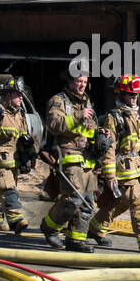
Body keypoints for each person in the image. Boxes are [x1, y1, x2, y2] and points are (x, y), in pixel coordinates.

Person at [87, 76, 140, 254]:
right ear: (121, 94)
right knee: (139, 202)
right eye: (130, 94)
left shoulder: (135, 114)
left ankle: (96, 227)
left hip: (137, 167)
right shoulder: (113, 118)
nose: (134, 97)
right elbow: (109, 149)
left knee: (120, 203)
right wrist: (110, 176)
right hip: (122, 170)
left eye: (136, 94)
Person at [42, 61, 99, 254]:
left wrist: (101, 134)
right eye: (78, 81)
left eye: (85, 81)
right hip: (68, 155)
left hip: (86, 157)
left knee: (88, 202)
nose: (82, 85)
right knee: (73, 198)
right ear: (70, 80)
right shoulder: (59, 101)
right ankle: (49, 228)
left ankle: (75, 240)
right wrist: (77, 116)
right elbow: (53, 125)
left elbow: (89, 129)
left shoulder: (87, 102)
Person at [0, 77, 32, 234]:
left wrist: (30, 153)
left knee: (0, 192)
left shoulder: (19, 115)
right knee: (7, 189)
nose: (21, 98)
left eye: (21, 94)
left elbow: (24, 137)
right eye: (17, 94)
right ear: (7, 95)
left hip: (13, 162)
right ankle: (16, 220)